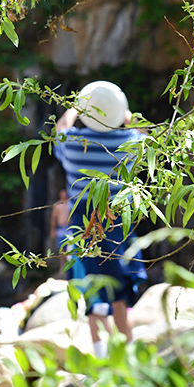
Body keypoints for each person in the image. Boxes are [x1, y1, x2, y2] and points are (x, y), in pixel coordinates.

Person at [54, 80, 147, 353]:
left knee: (92, 291)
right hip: (118, 223)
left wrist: (74, 107)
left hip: (83, 227)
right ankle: (127, 355)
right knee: (121, 295)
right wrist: (126, 115)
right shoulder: (129, 143)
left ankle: (100, 354)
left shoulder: (73, 145)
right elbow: (145, 135)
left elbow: (60, 130)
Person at [49, 188, 70, 262]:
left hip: (69, 228)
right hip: (61, 228)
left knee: (70, 247)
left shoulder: (70, 204)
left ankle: (70, 267)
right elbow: (53, 218)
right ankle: (62, 266)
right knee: (61, 248)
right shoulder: (57, 205)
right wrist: (53, 230)